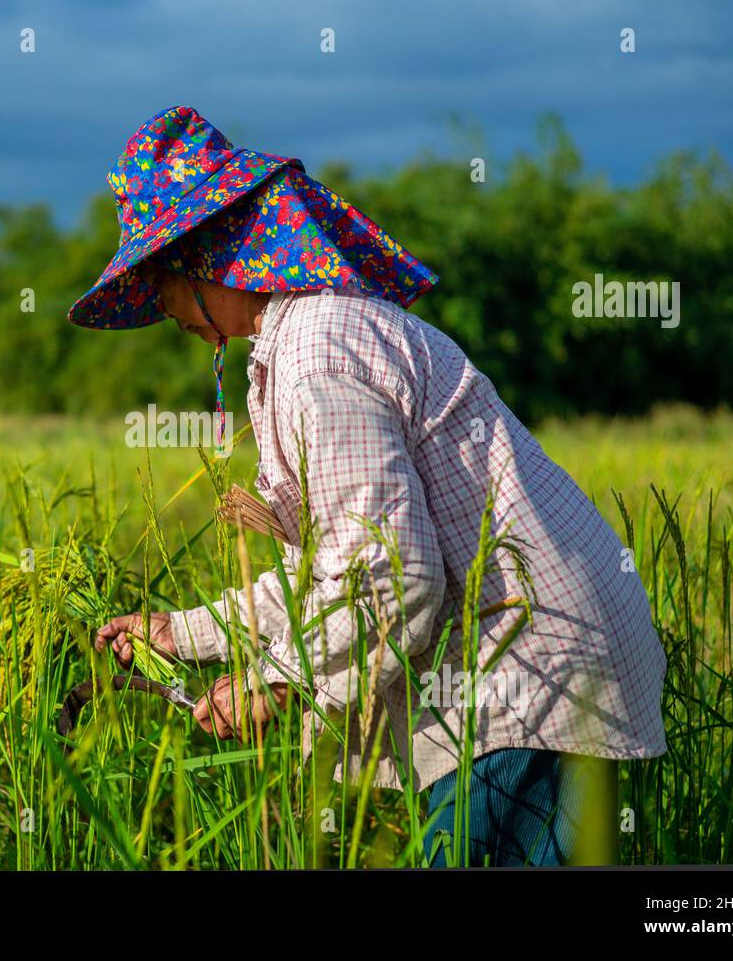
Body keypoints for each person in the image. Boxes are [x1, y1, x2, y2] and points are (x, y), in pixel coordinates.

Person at [68, 105, 666, 866]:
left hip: (528, 662)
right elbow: (332, 567)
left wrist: (276, 683)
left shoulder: (320, 351)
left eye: (158, 280)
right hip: (520, 652)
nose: (158, 307)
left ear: (208, 259)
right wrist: (180, 635)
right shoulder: (294, 349)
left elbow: (391, 576)